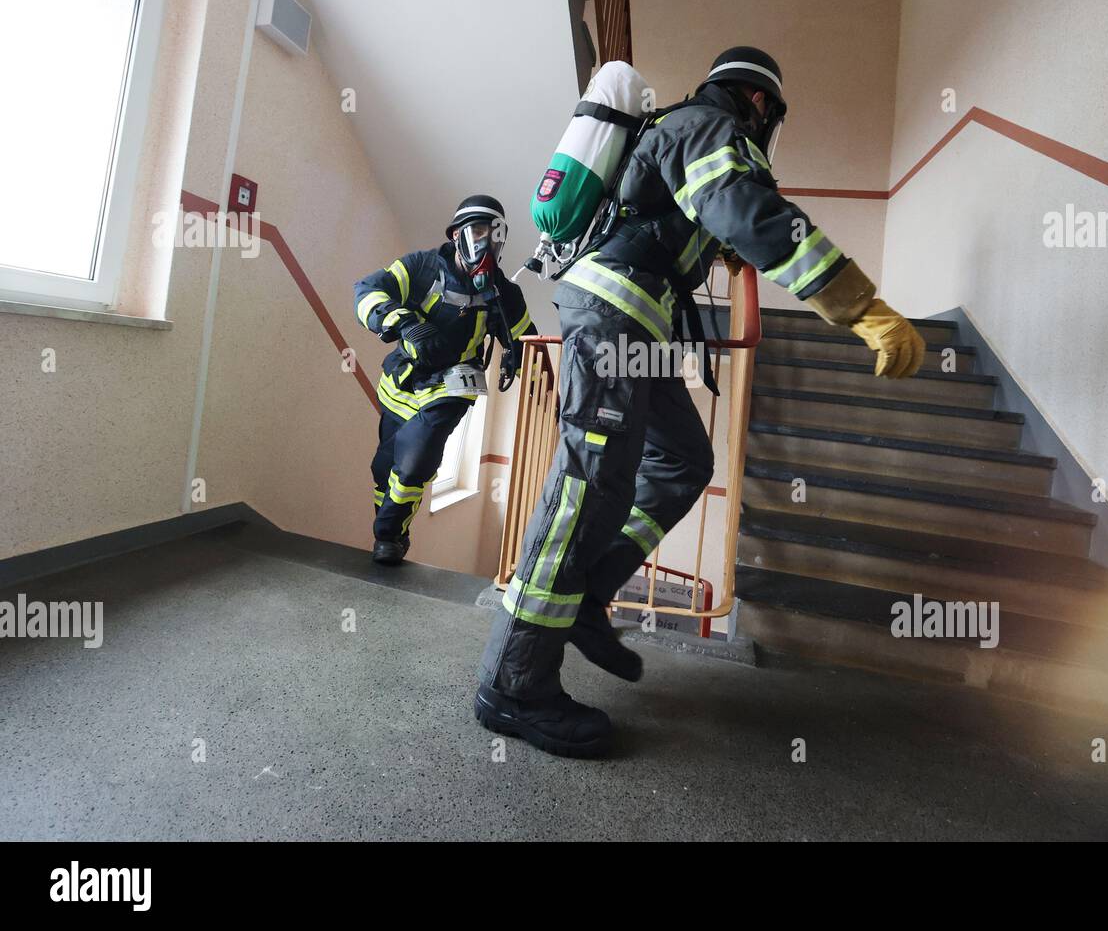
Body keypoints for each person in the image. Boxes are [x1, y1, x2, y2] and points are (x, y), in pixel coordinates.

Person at [475, 47, 927, 756]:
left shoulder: (683, 132)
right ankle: (513, 684)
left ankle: (591, 593)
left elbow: (691, 222)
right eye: (770, 117)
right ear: (758, 103)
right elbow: (754, 212)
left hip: (637, 320)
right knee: (588, 484)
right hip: (615, 312)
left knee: (684, 460)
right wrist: (861, 307)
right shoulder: (707, 126)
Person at [353, 194, 535, 565]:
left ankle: (386, 536)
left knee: (416, 459)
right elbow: (366, 291)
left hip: (453, 385)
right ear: (457, 234)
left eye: (494, 233)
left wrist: (519, 361)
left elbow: (529, 340)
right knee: (385, 469)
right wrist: (405, 324)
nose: (487, 241)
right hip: (400, 384)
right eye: (479, 230)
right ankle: (396, 532)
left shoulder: (504, 293)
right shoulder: (421, 267)